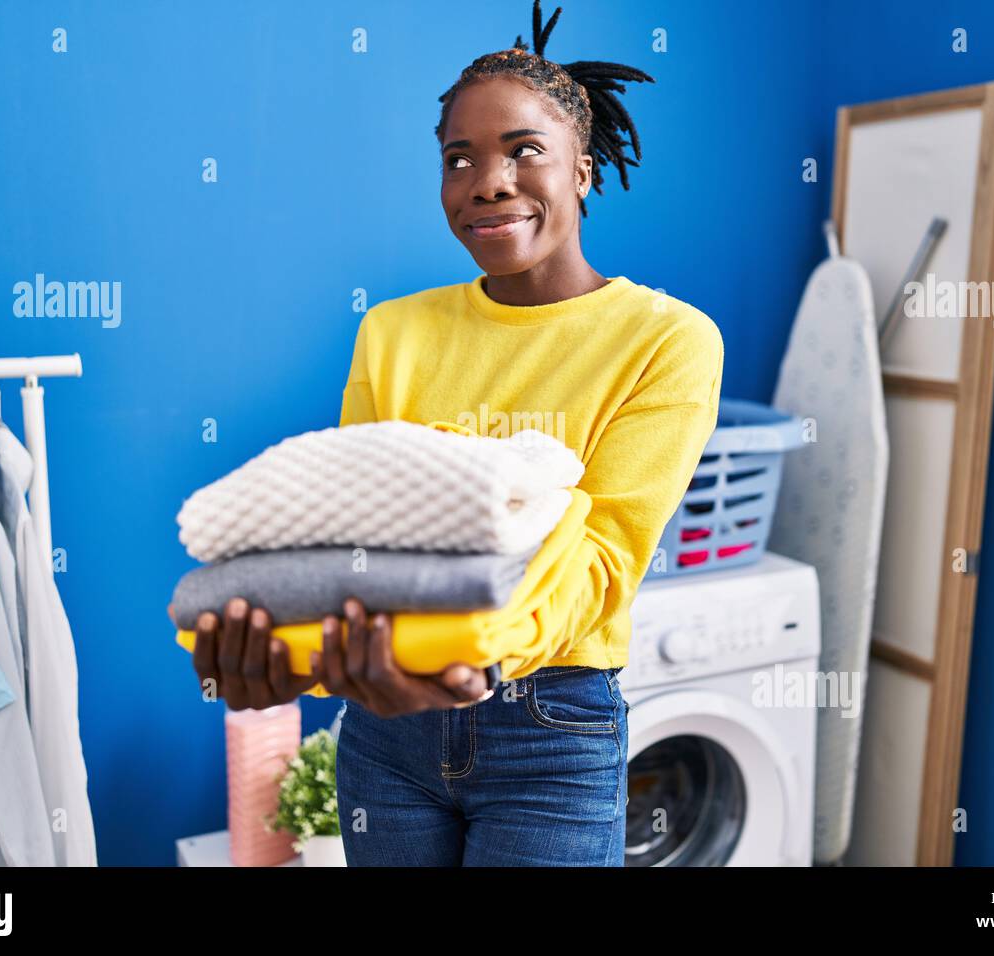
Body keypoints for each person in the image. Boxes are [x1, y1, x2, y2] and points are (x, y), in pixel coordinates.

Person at [186, 1, 723, 866]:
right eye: (458, 159)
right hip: (386, 739)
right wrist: (298, 651)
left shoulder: (667, 340)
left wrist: (481, 651)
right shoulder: (394, 332)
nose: (488, 180)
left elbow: (603, 560)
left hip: (551, 734)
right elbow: (354, 536)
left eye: (524, 151)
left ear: (582, 171)